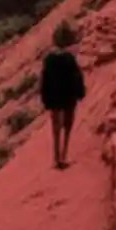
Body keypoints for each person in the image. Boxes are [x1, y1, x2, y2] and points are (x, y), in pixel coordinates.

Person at [40, 21, 85, 169]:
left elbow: (44, 79)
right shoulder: (70, 58)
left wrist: (45, 97)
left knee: (55, 126)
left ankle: (56, 155)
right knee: (68, 124)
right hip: (68, 95)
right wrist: (80, 92)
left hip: (54, 95)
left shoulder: (49, 59)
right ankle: (64, 154)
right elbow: (77, 77)